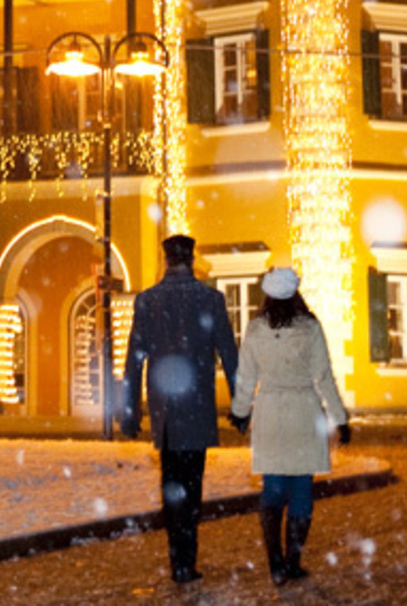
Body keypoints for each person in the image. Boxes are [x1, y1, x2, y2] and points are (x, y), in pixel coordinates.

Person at [119, 233, 240, 584]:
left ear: (166, 260)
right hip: (197, 406)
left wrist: (130, 409)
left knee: (171, 483)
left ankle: (178, 560)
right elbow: (229, 355)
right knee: (193, 483)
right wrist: (240, 401)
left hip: (165, 411)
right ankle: (187, 556)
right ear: (190, 259)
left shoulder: (147, 301)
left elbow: (133, 360)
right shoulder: (211, 299)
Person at [229, 265, 351, 586]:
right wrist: (339, 418)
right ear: (296, 293)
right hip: (303, 411)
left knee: (273, 488)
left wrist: (241, 411)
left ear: (268, 294)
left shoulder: (255, 330)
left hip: (269, 411)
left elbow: (246, 379)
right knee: (301, 491)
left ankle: (275, 562)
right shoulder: (310, 329)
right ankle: (293, 559)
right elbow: (323, 377)